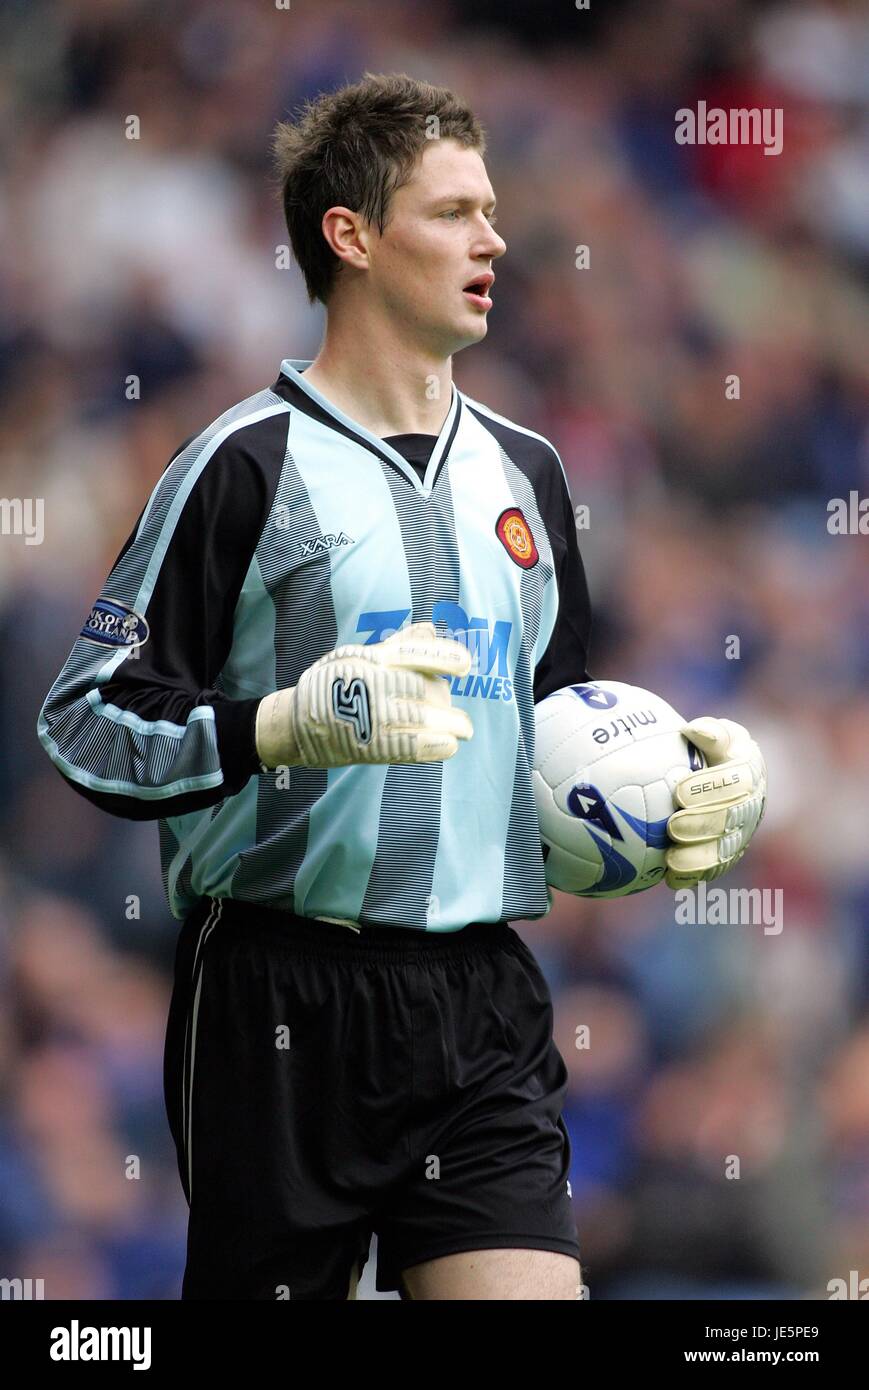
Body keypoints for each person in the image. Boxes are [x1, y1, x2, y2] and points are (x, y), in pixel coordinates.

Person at [36, 72, 766, 1300]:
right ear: (352, 235)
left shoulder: (530, 471)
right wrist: (278, 724)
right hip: (279, 995)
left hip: (479, 998)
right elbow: (86, 722)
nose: (493, 239)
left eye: (491, 211)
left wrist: (676, 799)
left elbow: (547, 732)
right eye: (453, 212)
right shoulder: (239, 466)